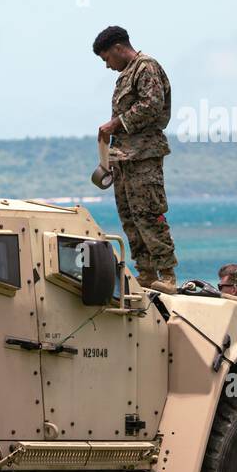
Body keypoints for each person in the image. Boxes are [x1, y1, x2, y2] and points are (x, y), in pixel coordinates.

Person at [93, 25, 179, 294]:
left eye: (107, 58)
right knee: (129, 217)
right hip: (124, 157)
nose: (107, 66)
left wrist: (116, 124)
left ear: (119, 48)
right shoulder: (126, 75)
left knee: (149, 213)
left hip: (144, 155)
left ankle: (167, 274)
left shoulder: (146, 67)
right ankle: (145, 272)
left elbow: (152, 105)